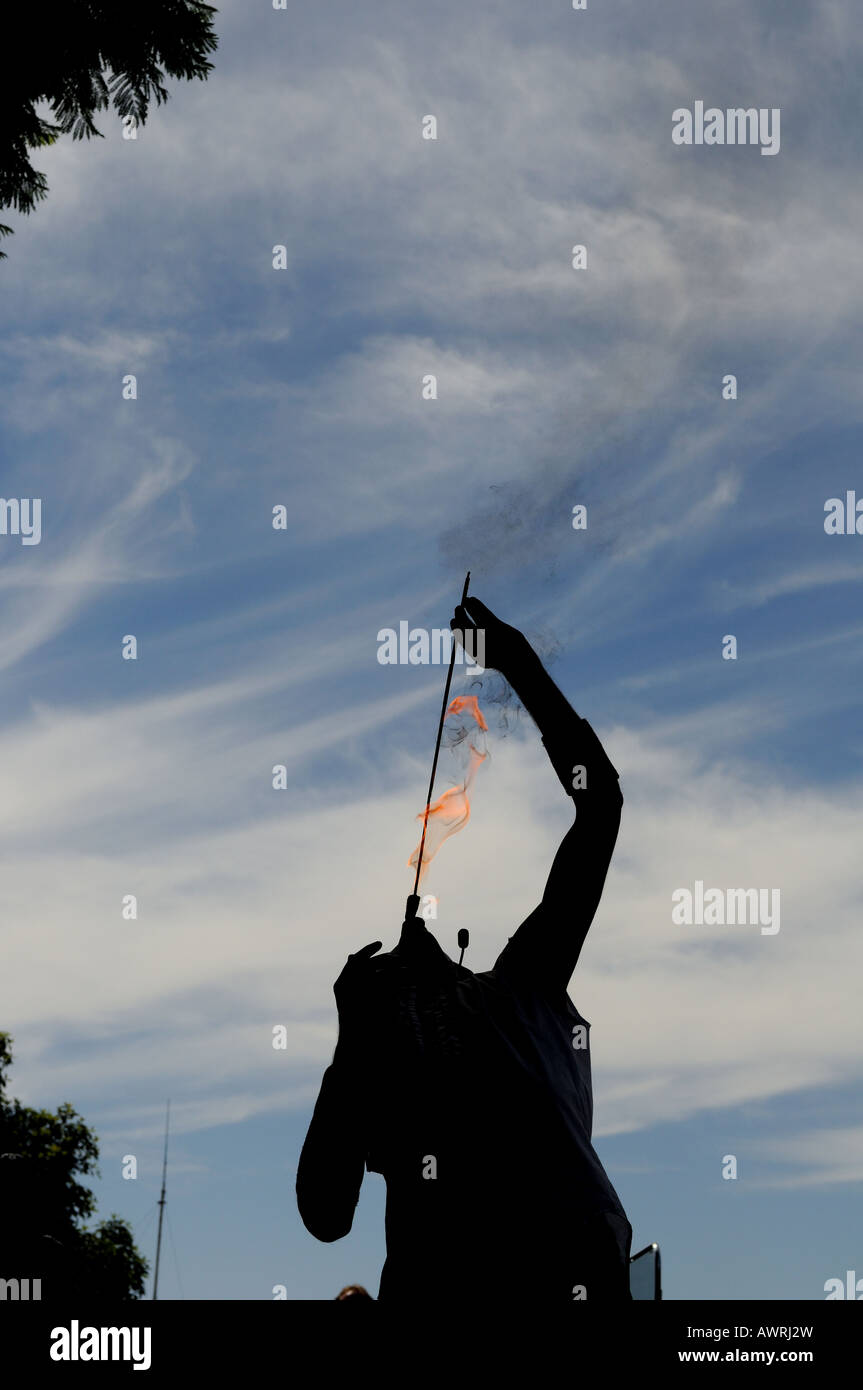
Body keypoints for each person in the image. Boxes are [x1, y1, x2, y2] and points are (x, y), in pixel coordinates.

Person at [296, 597, 632, 1303]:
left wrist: (516, 662)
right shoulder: (381, 1063)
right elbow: (325, 1217)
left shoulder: (524, 991)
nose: (408, 940)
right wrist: (350, 1043)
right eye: (390, 974)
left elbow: (597, 800)